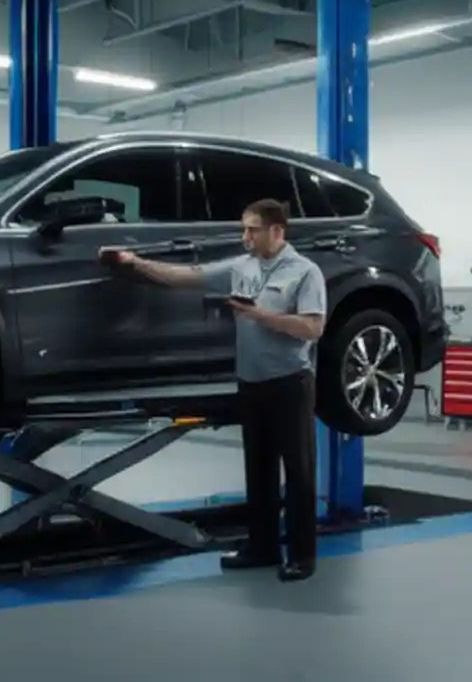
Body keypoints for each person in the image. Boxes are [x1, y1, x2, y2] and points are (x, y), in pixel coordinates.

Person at [101, 198, 326, 582]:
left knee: (299, 473)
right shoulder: (241, 267)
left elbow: (313, 328)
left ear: (277, 231)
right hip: (251, 384)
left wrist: (260, 316)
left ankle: (302, 557)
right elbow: (188, 275)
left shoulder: (305, 272)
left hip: (290, 384)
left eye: (252, 229)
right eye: (243, 229)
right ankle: (263, 547)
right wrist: (135, 263)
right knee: (259, 472)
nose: (245, 237)